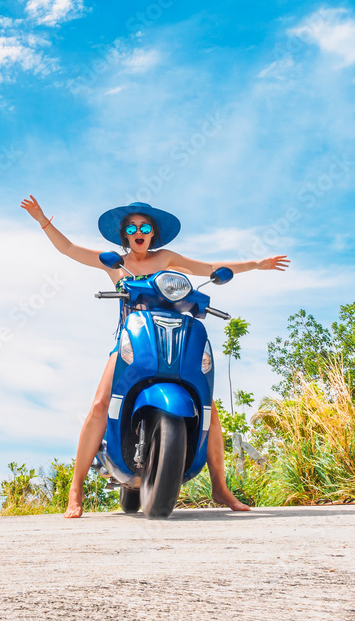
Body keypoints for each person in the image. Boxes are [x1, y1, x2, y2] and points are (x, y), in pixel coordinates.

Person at [20, 195, 290, 518]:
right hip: (131, 341)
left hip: (171, 339)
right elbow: (69, 249)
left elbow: (209, 269)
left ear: (153, 233)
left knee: (210, 410)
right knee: (100, 405)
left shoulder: (166, 259)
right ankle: (75, 490)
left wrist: (257, 264)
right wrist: (42, 220)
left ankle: (220, 486)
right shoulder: (117, 264)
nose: (139, 232)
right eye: (132, 227)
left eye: (145, 227)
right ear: (124, 235)